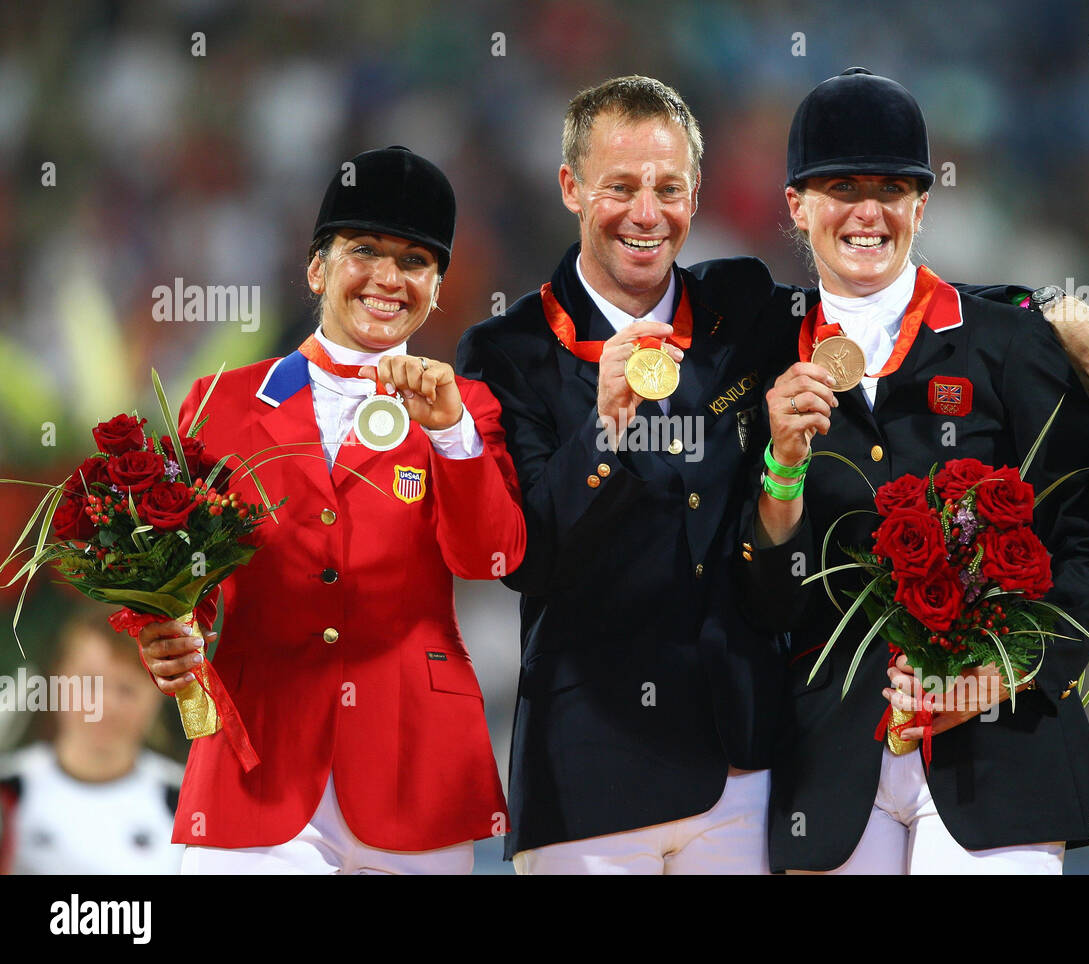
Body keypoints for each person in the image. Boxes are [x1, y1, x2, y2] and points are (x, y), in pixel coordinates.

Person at [746, 69, 1089, 874]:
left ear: (922, 206)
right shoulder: (762, 362)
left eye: (893, 187)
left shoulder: (1011, 341)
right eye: (841, 186)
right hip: (829, 764)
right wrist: (781, 473)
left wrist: (1007, 669)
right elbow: (766, 595)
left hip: (1002, 752)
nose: (868, 210)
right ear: (796, 205)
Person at [136, 146, 526, 874]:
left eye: (414, 261)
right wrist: (171, 622)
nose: (387, 277)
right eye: (365, 251)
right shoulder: (218, 404)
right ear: (317, 268)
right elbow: (194, 578)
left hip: (416, 767)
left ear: (438, 288)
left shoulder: (467, 408)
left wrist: (449, 434)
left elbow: (492, 557)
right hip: (257, 761)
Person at [457, 76, 790, 874]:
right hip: (590, 772)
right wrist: (604, 432)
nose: (648, 214)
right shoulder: (508, 352)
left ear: (696, 192)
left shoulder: (740, 306)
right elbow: (525, 559)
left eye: (668, 188)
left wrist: (1033, 309)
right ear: (571, 187)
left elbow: (869, 314)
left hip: (740, 764)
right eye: (622, 187)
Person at [1, 609, 184, 874]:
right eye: (90, 682)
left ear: (158, 693)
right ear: (58, 679)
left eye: (126, 689)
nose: (105, 705)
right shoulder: (8, 792)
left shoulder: (186, 803)